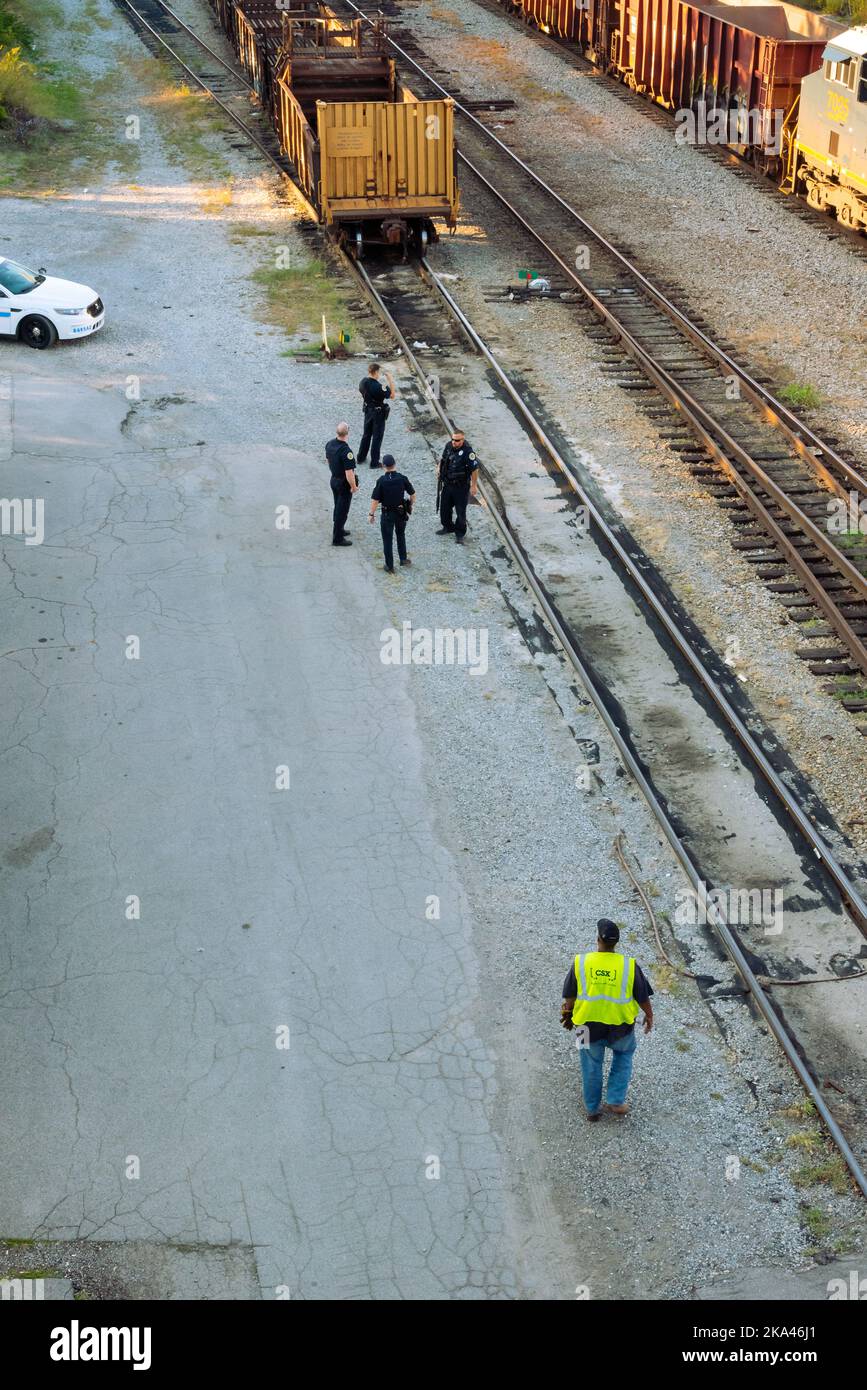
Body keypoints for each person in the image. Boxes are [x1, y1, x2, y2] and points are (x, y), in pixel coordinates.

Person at [560, 918, 653, 1122]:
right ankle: (616, 1101)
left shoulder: (581, 962)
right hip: (621, 1027)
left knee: (590, 1064)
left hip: (585, 1027)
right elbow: (642, 996)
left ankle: (592, 1109)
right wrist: (650, 1015)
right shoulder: (629, 965)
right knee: (624, 1055)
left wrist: (568, 1011)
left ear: (597, 940)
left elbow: (569, 997)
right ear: (616, 943)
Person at [369, 454, 415, 573]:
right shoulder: (402, 478)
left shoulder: (381, 481)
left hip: (387, 514)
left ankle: (389, 566)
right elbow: (412, 494)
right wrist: (410, 504)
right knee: (400, 534)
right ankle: (403, 558)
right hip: (400, 512)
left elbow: (375, 500)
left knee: (387, 539)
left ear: (384, 466)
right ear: (394, 464)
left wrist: (371, 514)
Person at [436, 429, 478, 544]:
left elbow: (474, 470)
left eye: (457, 440)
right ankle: (448, 527)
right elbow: (443, 459)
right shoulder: (449, 446)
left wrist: (474, 486)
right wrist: (439, 469)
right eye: (453, 439)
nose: (454, 442)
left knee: (460, 512)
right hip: (448, 484)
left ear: (463, 440)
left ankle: (459, 534)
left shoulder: (468, 452)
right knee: (444, 507)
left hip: (461, 487)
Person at [357, 362, 397, 470]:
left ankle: (360, 457)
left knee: (366, 435)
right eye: (378, 372)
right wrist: (390, 380)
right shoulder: (379, 387)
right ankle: (374, 462)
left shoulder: (362, 382)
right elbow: (392, 395)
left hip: (368, 411)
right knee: (377, 437)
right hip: (378, 414)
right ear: (375, 372)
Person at [325, 422, 358, 547]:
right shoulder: (346, 451)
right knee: (342, 510)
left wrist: (334, 471)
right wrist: (354, 487)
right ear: (347, 433)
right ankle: (337, 538)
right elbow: (349, 473)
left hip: (334, 479)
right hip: (343, 483)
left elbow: (328, 460)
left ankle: (340, 529)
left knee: (337, 505)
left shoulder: (329, 444)